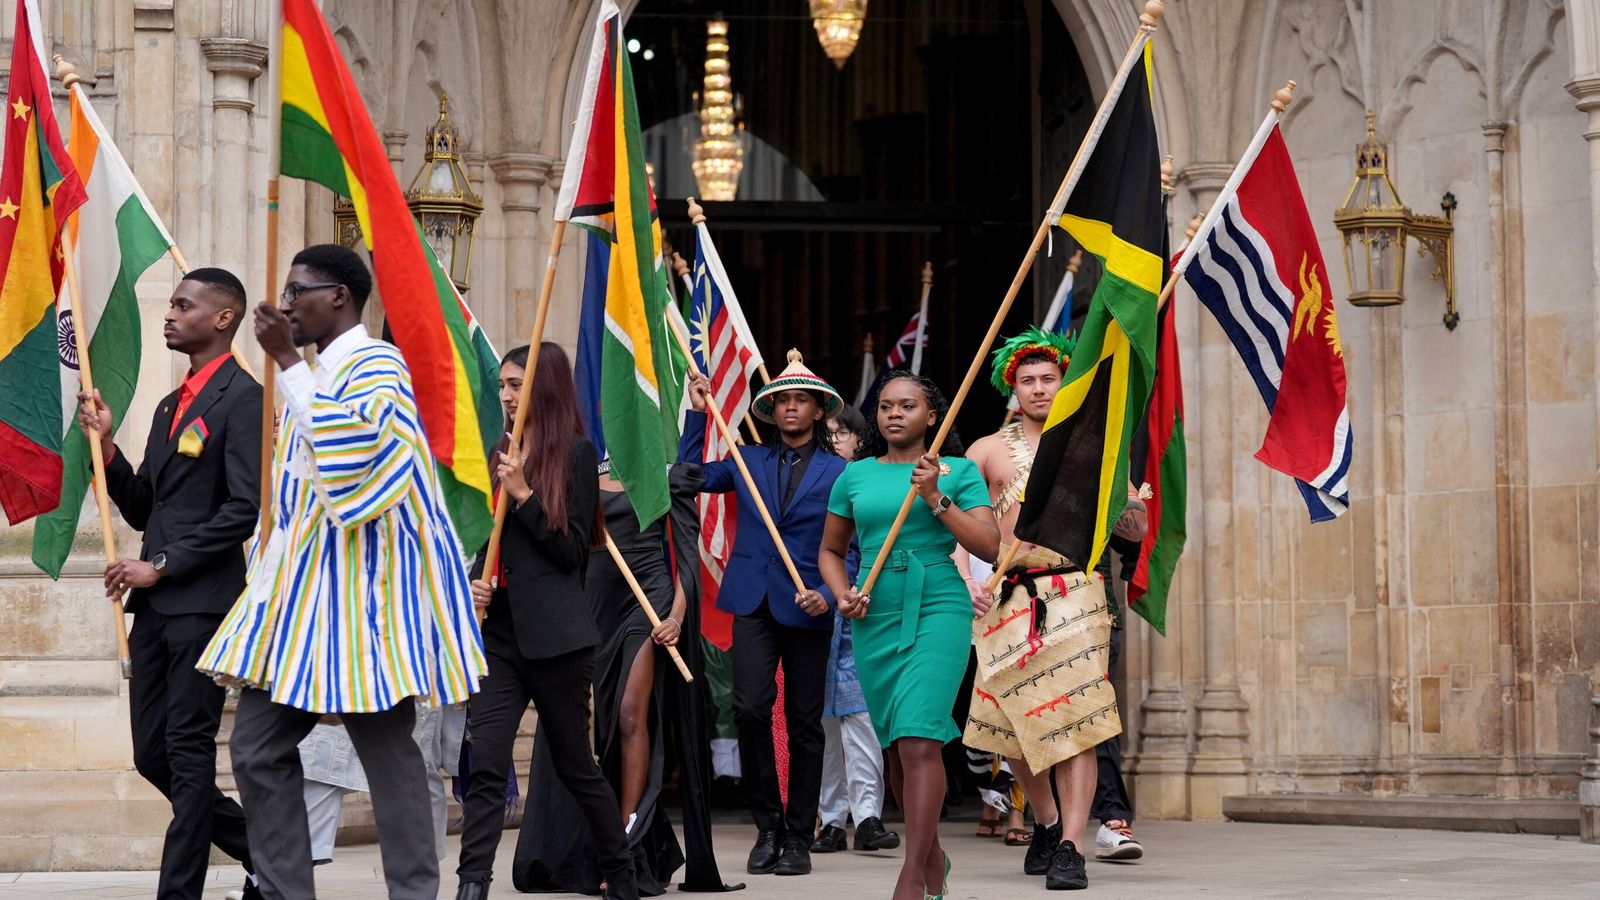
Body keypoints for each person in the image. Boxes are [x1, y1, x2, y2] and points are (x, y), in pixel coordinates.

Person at [197, 244, 487, 900]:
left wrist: (287, 367)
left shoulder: (376, 365)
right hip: (301, 601)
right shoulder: (318, 368)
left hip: (364, 602)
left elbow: (360, 471)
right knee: (254, 745)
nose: (287, 301)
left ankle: (414, 892)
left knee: (390, 757)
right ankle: (285, 889)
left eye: (299, 290)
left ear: (340, 297)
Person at [77, 268, 262, 900]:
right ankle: (268, 849)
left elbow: (244, 508)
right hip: (154, 610)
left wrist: (163, 564)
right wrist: (107, 451)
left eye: (186, 305)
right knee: (151, 756)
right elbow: (142, 508)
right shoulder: (170, 404)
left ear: (224, 318)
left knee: (187, 758)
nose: (171, 313)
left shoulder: (245, 397)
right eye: (172, 303)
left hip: (203, 606)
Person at [959, 327, 1141, 891]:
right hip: (1008, 596)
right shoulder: (986, 451)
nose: (1038, 388)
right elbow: (960, 533)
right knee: (1008, 729)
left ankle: (1071, 847)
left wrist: (1126, 502)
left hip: (1076, 591)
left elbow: (1133, 527)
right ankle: (1046, 820)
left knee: (1079, 725)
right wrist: (969, 582)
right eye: (1027, 380)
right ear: (1012, 388)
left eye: (1048, 379)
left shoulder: (1094, 443)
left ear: (1066, 383)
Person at [458, 342, 638, 900]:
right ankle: (472, 884)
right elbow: (490, 543)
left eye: (517, 385)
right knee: (485, 764)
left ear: (545, 387)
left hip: (558, 641)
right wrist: (476, 577)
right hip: (500, 637)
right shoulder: (498, 452)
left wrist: (524, 494)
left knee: (575, 766)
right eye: (505, 386)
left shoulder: (578, 456)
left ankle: (623, 875)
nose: (506, 396)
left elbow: (569, 554)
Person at [820, 372, 998, 900]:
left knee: (921, 739)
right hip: (874, 612)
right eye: (885, 406)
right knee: (897, 750)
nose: (894, 414)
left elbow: (989, 545)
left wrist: (935, 497)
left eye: (907, 405)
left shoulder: (958, 471)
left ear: (932, 416)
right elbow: (830, 551)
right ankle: (934, 857)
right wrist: (841, 593)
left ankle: (910, 876)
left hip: (938, 604)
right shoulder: (853, 477)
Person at [679, 349, 847, 877]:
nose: (791, 408)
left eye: (801, 400)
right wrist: (698, 411)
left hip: (809, 604)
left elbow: (854, 545)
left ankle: (800, 835)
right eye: (782, 401)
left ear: (819, 409)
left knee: (803, 723)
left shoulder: (842, 471)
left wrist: (828, 590)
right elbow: (687, 477)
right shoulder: (745, 459)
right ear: (771, 411)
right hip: (752, 599)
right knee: (750, 707)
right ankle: (767, 825)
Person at [812, 406, 898, 855]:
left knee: (862, 721)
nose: (836, 441)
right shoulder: (814, 482)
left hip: (864, 614)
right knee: (825, 725)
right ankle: (829, 820)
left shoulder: (869, 482)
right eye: (828, 434)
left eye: (843, 433)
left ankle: (867, 817)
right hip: (817, 614)